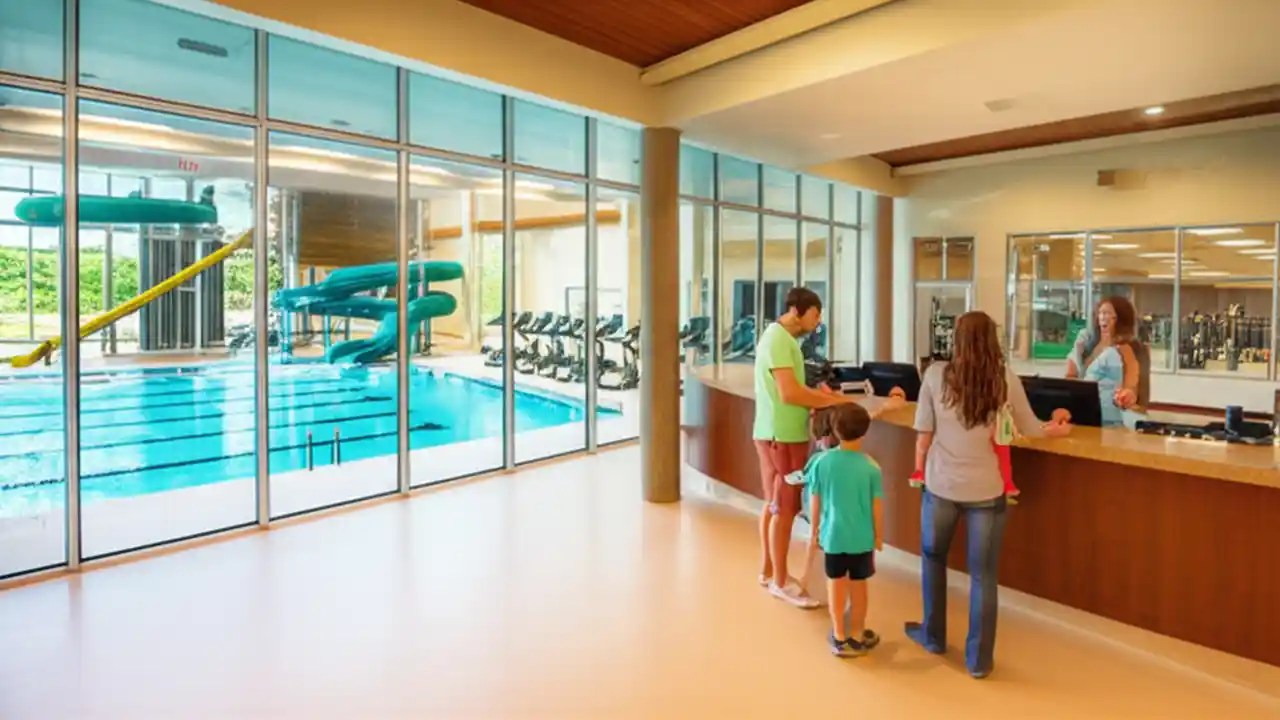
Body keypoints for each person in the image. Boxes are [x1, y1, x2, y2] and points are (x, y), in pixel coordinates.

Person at [904, 311, 1071, 679]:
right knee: (984, 576)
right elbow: (1030, 429)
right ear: (992, 341)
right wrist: (1055, 431)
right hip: (987, 490)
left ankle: (932, 636)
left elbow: (923, 435)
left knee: (933, 558)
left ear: (957, 340)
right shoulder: (1004, 379)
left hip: (941, 487)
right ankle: (978, 661)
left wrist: (918, 471)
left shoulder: (934, 375)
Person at [753, 287, 902, 608]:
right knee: (786, 507)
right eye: (815, 314)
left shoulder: (780, 339)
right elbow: (790, 393)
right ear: (797, 310)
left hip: (775, 430)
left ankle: (769, 570)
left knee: (775, 503)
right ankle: (780, 581)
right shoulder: (780, 340)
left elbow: (795, 389)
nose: (818, 321)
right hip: (783, 433)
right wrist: (837, 400)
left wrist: (828, 398)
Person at [795, 403, 884, 657]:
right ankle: (857, 633)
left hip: (832, 536)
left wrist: (814, 533)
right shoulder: (871, 468)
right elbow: (877, 507)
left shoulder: (822, 463)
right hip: (862, 539)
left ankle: (839, 634)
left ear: (834, 429)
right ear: (865, 432)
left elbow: (815, 500)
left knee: (836, 585)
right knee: (859, 586)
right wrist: (878, 535)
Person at [1066, 296, 1149, 426]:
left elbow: (1132, 374)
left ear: (1120, 318)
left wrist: (1129, 393)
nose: (1103, 317)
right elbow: (1073, 376)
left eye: (1108, 313)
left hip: (1112, 418)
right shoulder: (1090, 345)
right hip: (1087, 414)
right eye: (1100, 313)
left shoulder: (1125, 347)